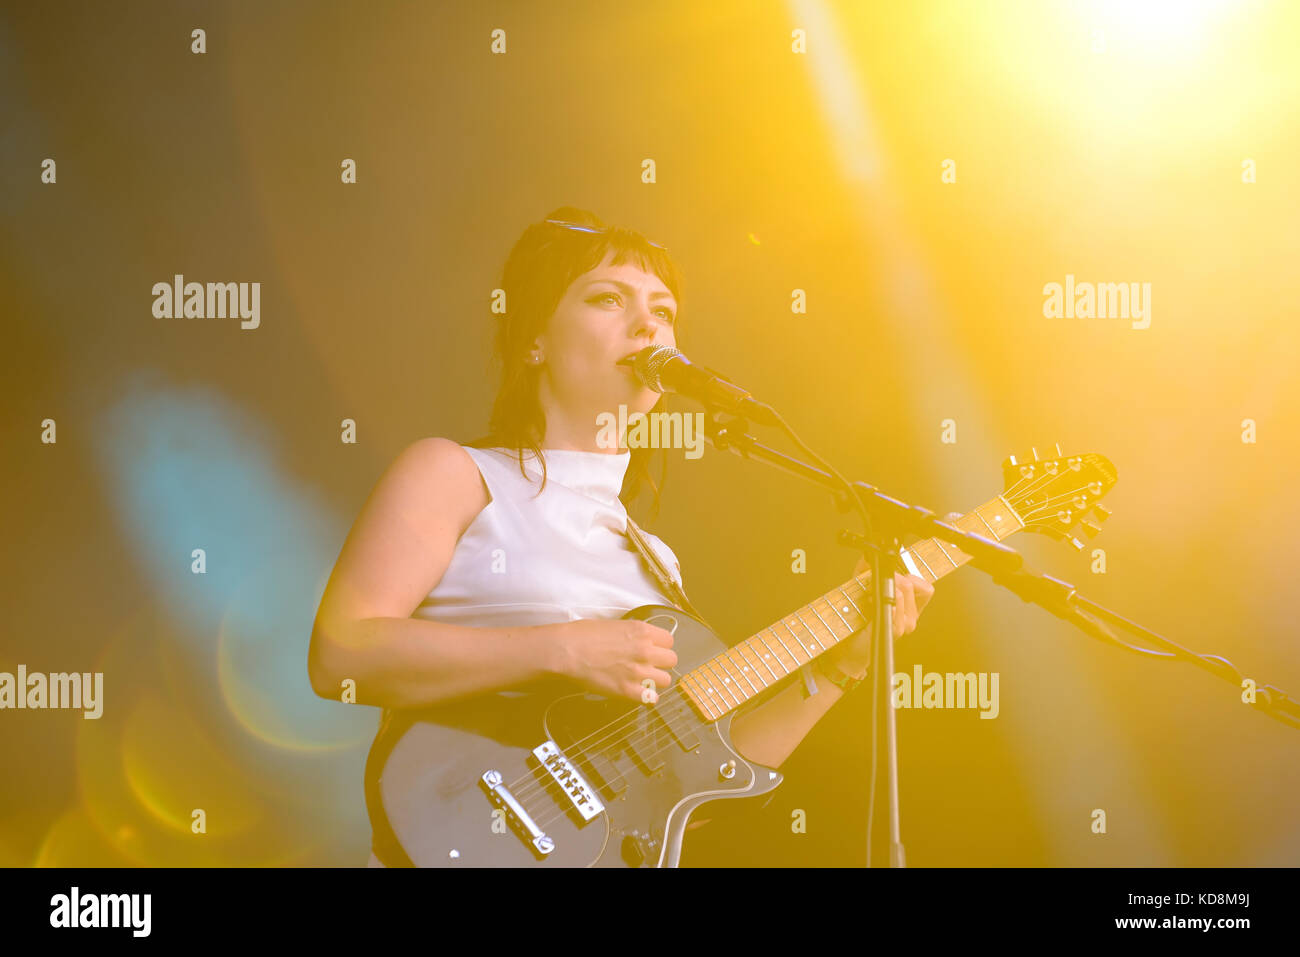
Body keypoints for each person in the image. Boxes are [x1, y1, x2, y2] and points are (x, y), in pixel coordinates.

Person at [307, 207, 935, 867]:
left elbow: (685, 792)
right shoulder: (456, 473)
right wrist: (563, 648)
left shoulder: (656, 560)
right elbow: (339, 655)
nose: (647, 325)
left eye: (664, 311)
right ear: (534, 341)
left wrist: (842, 665)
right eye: (608, 299)